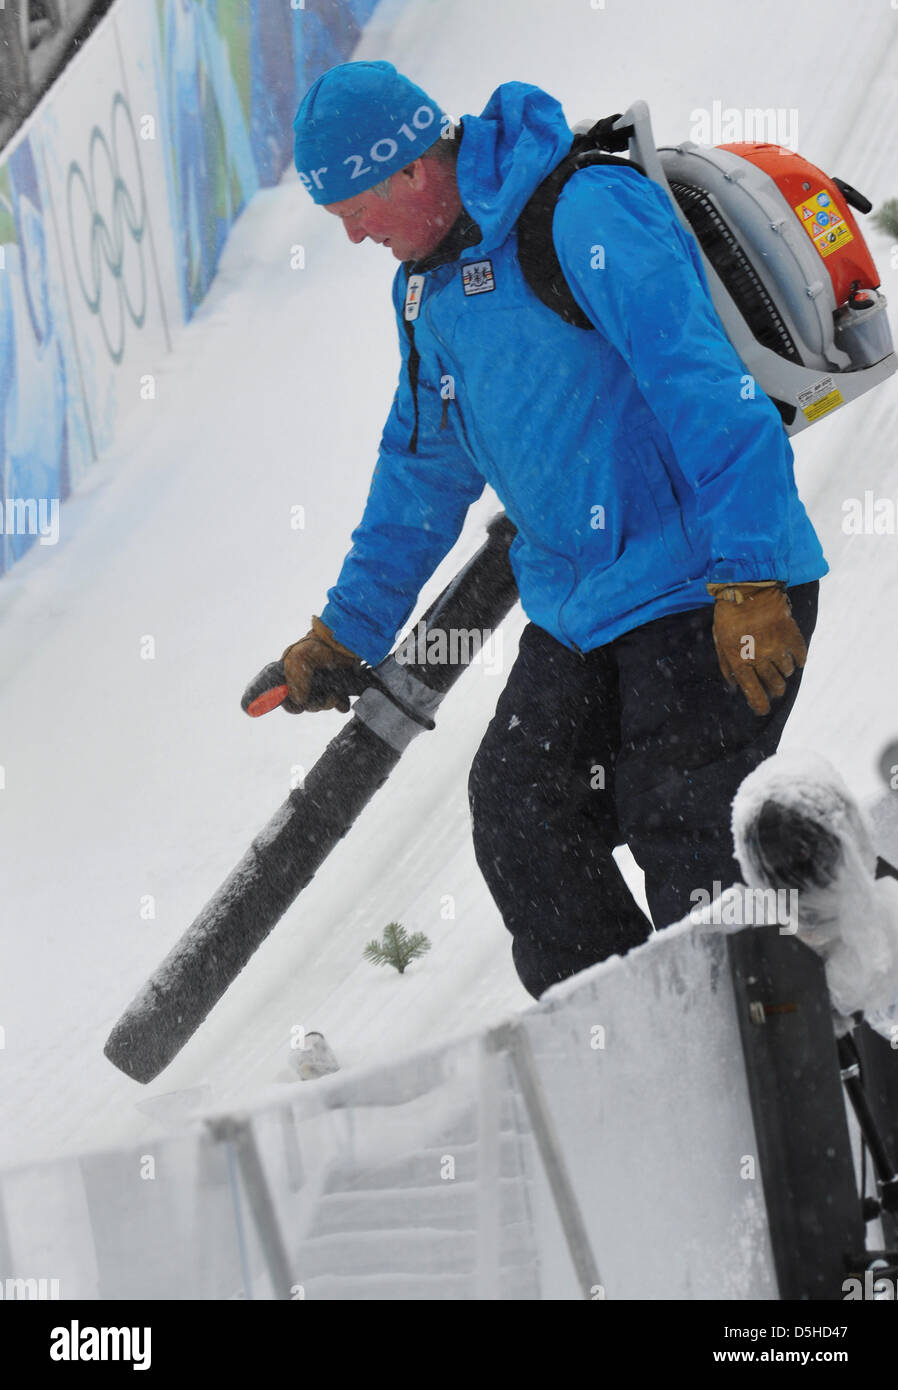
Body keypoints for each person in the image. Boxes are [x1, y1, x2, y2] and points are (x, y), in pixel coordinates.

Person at [281, 59, 828, 998]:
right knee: (519, 809)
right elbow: (422, 466)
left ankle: (782, 1073)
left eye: (357, 209)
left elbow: (710, 393)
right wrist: (346, 630)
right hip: (583, 616)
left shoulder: (582, 211)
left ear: (412, 168)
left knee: (686, 823)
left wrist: (750, 577)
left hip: (709, 586)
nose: (357, 234)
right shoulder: (426, 291)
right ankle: (628, 1051)